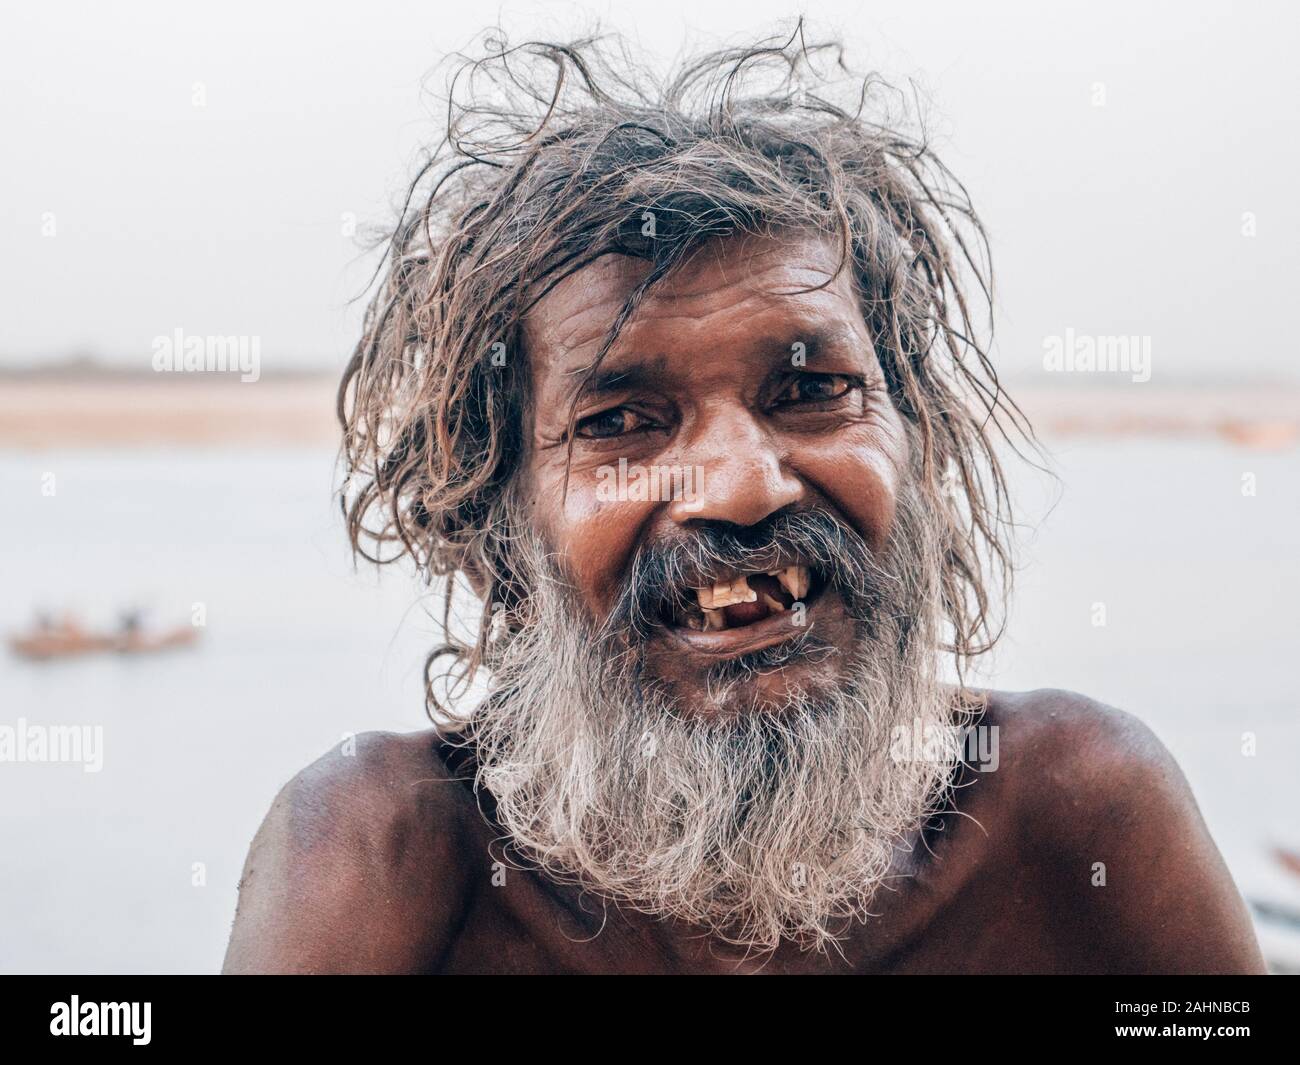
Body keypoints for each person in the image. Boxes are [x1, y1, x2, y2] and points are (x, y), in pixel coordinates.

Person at [223, 28, 1264, 974]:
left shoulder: (1074, 811)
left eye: (812, 394)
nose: (740, 484)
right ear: (503, 522)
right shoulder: (384, 852)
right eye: (620, 421)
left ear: (918, 449)